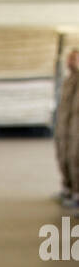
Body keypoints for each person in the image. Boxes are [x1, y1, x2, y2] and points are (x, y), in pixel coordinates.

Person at [54, 48, 79, 208]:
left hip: (75, 125)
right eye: (69, 59)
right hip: (66, 124)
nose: (70, 62)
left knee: (75, 158)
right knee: (64, 156)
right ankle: (68, 188)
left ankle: (77, 194)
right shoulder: (69, 79)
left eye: (74, 59)